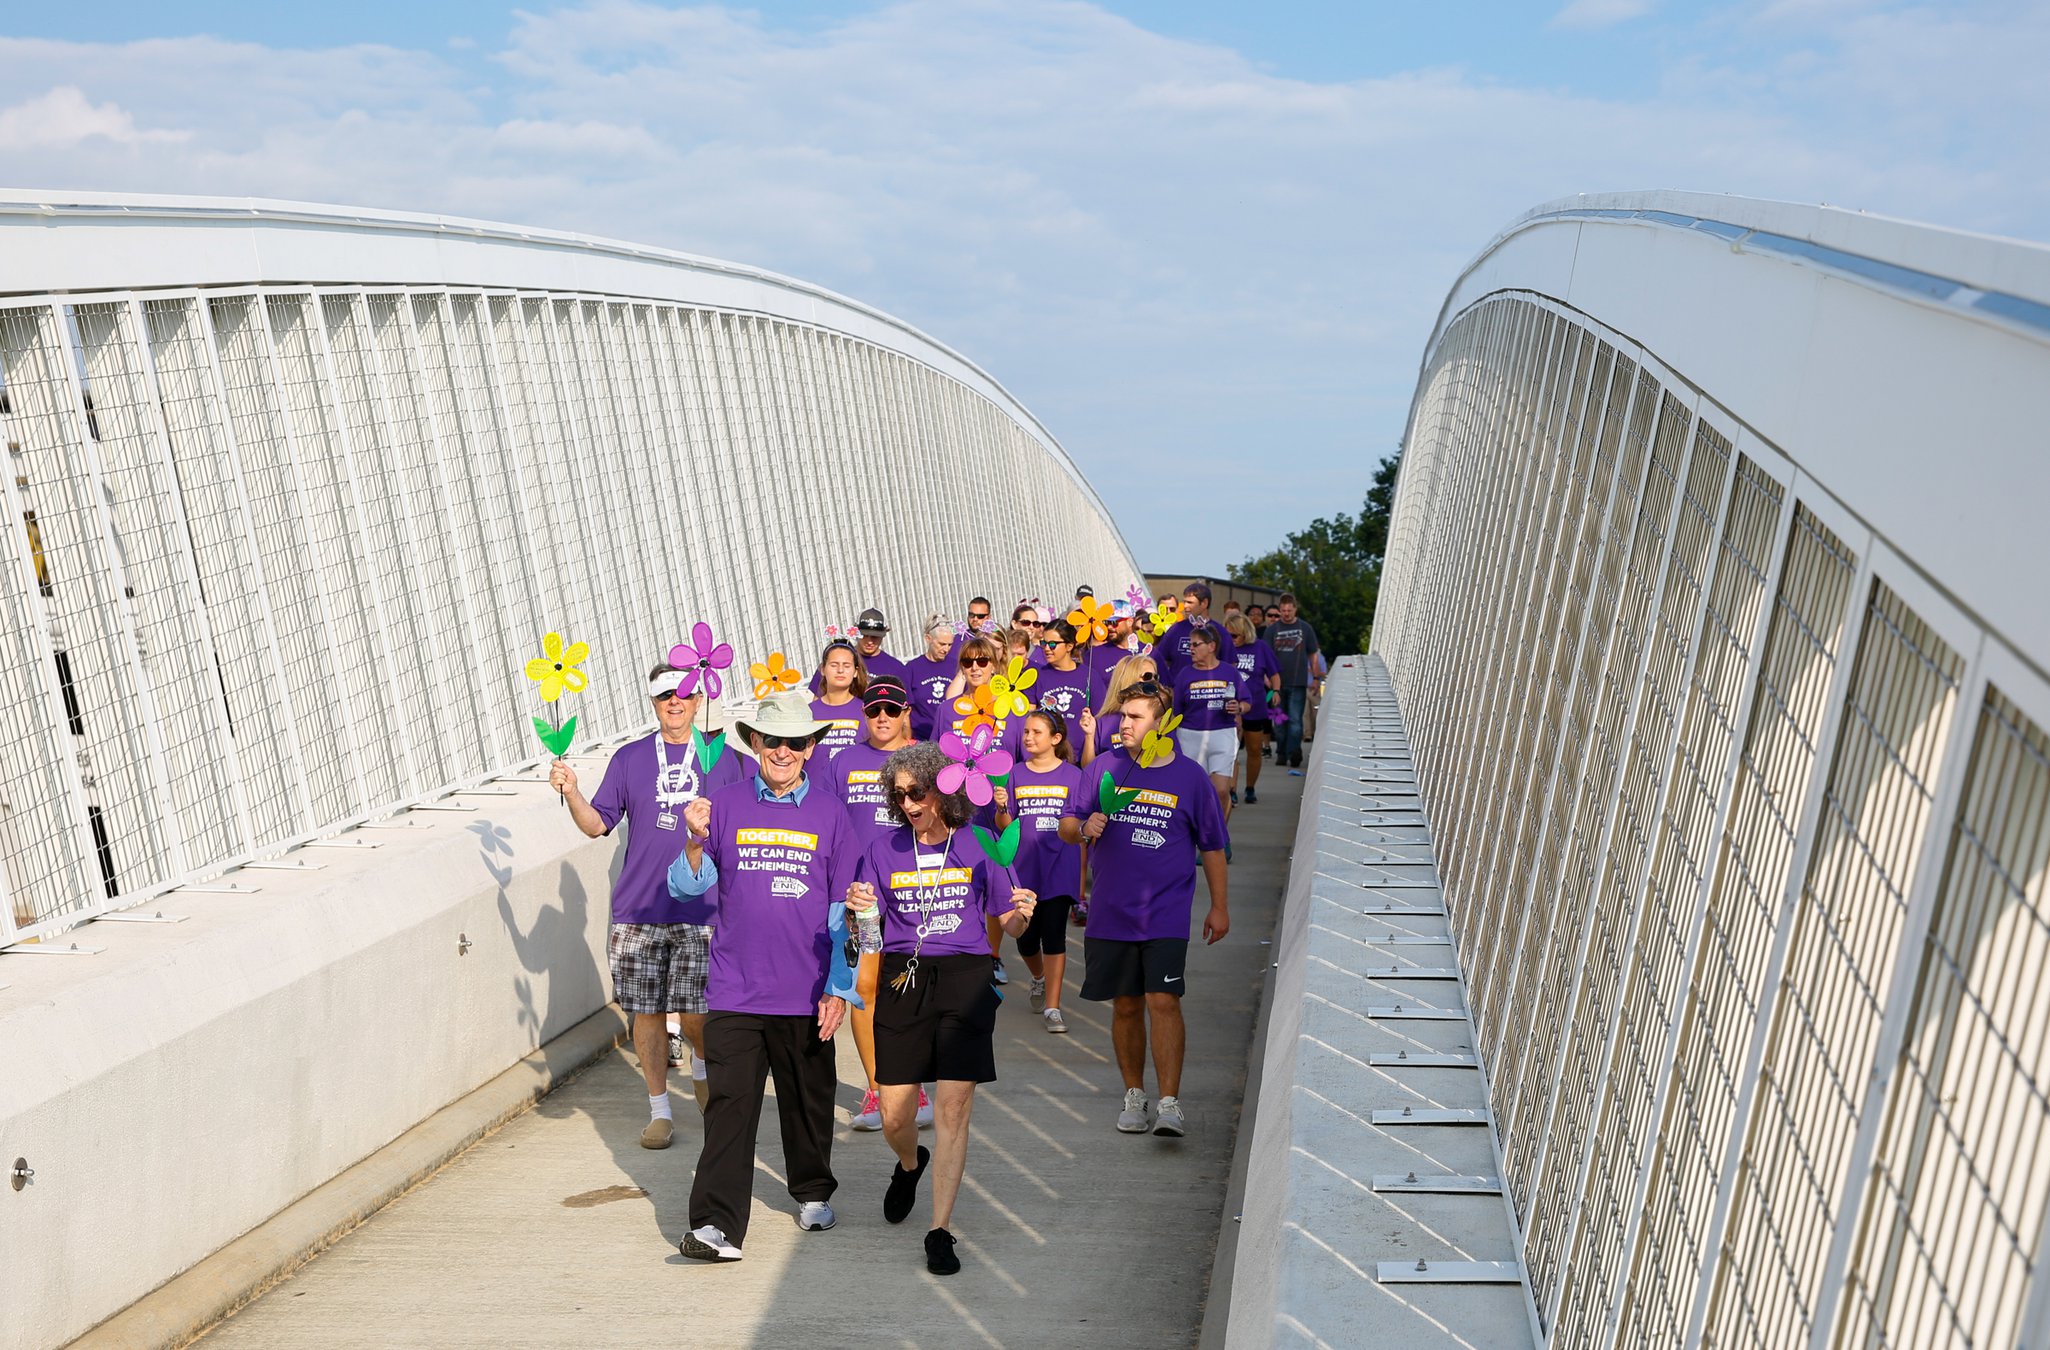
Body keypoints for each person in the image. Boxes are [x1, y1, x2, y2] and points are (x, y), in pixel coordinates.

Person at [667, 689, 862, 1261]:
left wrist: (838, 987)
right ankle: (715, 1226)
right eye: (772, 740)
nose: (782, 751)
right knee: (729, 1109)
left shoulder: (830, 813)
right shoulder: (720, 805)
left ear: (809, 748)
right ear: (754, 743)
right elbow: (686, 886)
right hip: (734, 988)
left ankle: (811, 1190)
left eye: (794, 743)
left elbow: (844, 910)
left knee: (808, 1101)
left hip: (805, 992)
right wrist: (695, 839)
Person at [846, 743, 1037, 1275]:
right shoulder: (882, 850)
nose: (908, 803)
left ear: (944, 790)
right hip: (904, 977)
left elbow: (1012, 922)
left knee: (953, 1108)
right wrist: (857, 913)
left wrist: (1023, 914)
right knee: (894, 1112)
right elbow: (869, 933)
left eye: (917, 792)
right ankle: (909, 1163)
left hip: (965, 978)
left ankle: (940, 1231)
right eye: (899, 793)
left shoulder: (979, 843)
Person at [552, 662, 758, 1144]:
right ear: (653, 702)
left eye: (684, 695)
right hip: (640, 909)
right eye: (666, 695)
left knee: (697, 1014)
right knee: (645, 1013)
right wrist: (573, 790)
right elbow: (596, 824)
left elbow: (757, 806)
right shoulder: (629, 759)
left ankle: (702, 1068)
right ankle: (660, 1111)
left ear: (698, 699)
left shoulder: (725, 759)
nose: (675, 703)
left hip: (705, 908)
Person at [1061, 680, 1228, 1137]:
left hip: (1166, 912)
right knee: (1128, 1005)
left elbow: (1212, 846)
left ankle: (1170, 1103)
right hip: (1111, 912)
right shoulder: (1103, 768)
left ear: (1162, 723)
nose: (1124, 724)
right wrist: (1083, 826)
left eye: (1135, 717)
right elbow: (1068, 826)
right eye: (1123, 715)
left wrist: (1219, 906)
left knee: (1163, 1000)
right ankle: (1135, 1095)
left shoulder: (1190, 777)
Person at [823, 675, 935, 1134]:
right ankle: (875, 1089)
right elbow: (826, 821)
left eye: (891, 709)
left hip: (913, 889)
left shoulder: (925, 759)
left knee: (912, 990)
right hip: (861, 897)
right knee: (864, 989)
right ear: (862, 714)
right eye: (873, 710)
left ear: (906, 711)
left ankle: (913, 1087)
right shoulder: (843, 760)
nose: (882, 717)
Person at [992, 708, 1084, 1032]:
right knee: (1026, 942)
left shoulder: (1074, 776)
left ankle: (1053, 1008)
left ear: (1056, 739)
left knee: (1054, 936)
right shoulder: (1015, 773)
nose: (1028, 737)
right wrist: (1001, 806)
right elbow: (1005, 827)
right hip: (1023, 870)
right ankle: (1038, 977)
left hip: (1060, 867)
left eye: (1036, 732)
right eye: (1026, 732)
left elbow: (1079, 827)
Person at [1172, 627, 1250, 838]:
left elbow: (1246, 701)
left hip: (1222, 733)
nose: (1191, 649)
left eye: (1196, 644)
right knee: (1194, 792)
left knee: (1221, 791)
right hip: (1190, 736)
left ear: (1212, 646)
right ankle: (1195, 836)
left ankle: (1218, 838)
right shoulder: (1184, 675)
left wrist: (1239, 708)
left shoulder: (1229, 672)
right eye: (1190, 645)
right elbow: (1176, 711)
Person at [1225, 611, 1281, 803]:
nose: (1231, 639)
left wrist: (1275, 692)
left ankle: (1250, 787)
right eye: (1228, 635)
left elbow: (1274, 675)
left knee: (1254, 749)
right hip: (1231, 707)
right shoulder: (1224, 650)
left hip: (1255, 706)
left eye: (1234, 635)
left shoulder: (1260, 648)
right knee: (1231, 750)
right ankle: (1231, 789)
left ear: (1245, 632)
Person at [1266, 593, 1321, 768]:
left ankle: (1294, 751)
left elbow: (1313, 654)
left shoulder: (1305, 628)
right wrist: (1266, 678)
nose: (1286, 614)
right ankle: (1281, 752)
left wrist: (1316, 676)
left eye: (1289, 610)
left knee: (1296, 720)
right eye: (1283, 611)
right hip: (1277, 683)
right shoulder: (1272, 630)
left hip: (1298, 682)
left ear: (1295, 609)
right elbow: (1265, 656)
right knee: (1280, 721)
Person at [1079, 652, 1160, 768]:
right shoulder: (1103, 722)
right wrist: (1089, 736)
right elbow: (1088, 768)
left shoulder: (1159, 719)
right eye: (1147, 676)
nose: (1153, 682)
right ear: (1129, 678)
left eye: (1155, 677)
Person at [811, 637, 869, 756]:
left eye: (847, 666)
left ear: (855, 672)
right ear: (822, 669)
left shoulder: (867, 711)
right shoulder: (808, 712)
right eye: (834, 665)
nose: (840, 670)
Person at [903, 614, 958, 740]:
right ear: (928, 638)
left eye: (950, 645)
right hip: (921, 739)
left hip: (951, 738)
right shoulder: (912, 668)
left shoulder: (957, 667)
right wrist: (907, 740)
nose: (946, 649)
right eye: (942, 644)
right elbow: (906, 711)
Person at [1032, 619, 1093, 723]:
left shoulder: (1090, 676)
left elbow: (1100, 716)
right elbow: (1030, 717)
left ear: (1069, 646)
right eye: (1044, 643)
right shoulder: (1037, 676)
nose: (1046, 648)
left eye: (1052, 644)